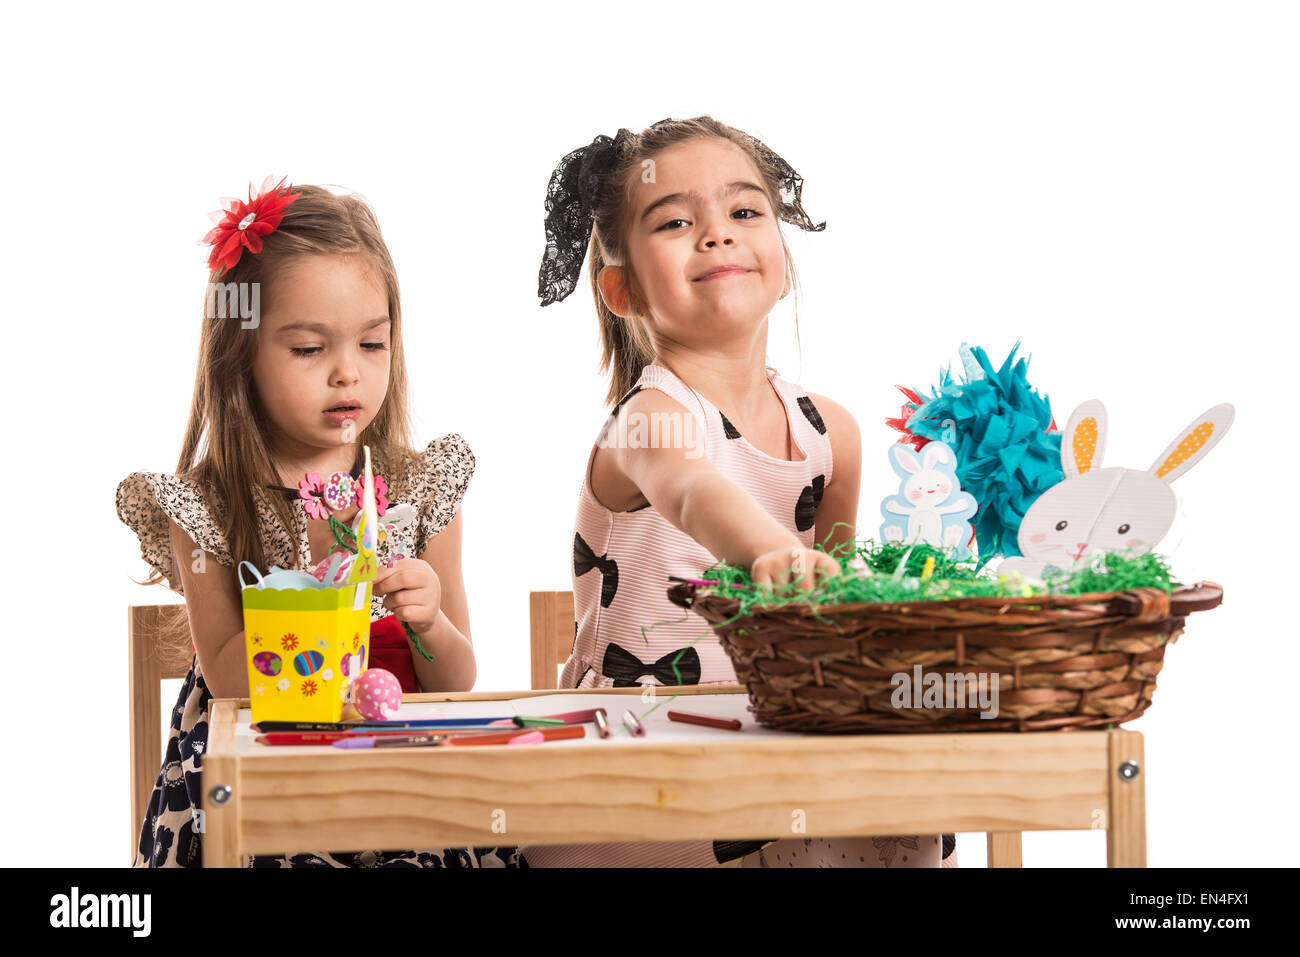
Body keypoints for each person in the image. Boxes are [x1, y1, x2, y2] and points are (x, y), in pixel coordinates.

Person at [525, 117, 952, 867]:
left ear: (781, 262)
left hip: (769, 752)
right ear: (622, 289)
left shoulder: (833, 435)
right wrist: (769, 553)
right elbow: (691, 490)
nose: (717, 235)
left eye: (744, 212)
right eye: (677, 221)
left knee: (906, 810)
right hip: (630, 768)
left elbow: (840, 615)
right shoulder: (649, 418)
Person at [117, 177, 516, 867]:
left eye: (372, 345)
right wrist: (317, 603)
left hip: (399, 777)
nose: (347, 375)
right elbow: (231, 682)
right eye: (309, 349)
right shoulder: (208, 507)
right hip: (262, 781)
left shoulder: (418, 490)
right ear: (241, 353)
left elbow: (457, 678)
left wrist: (429, 622)